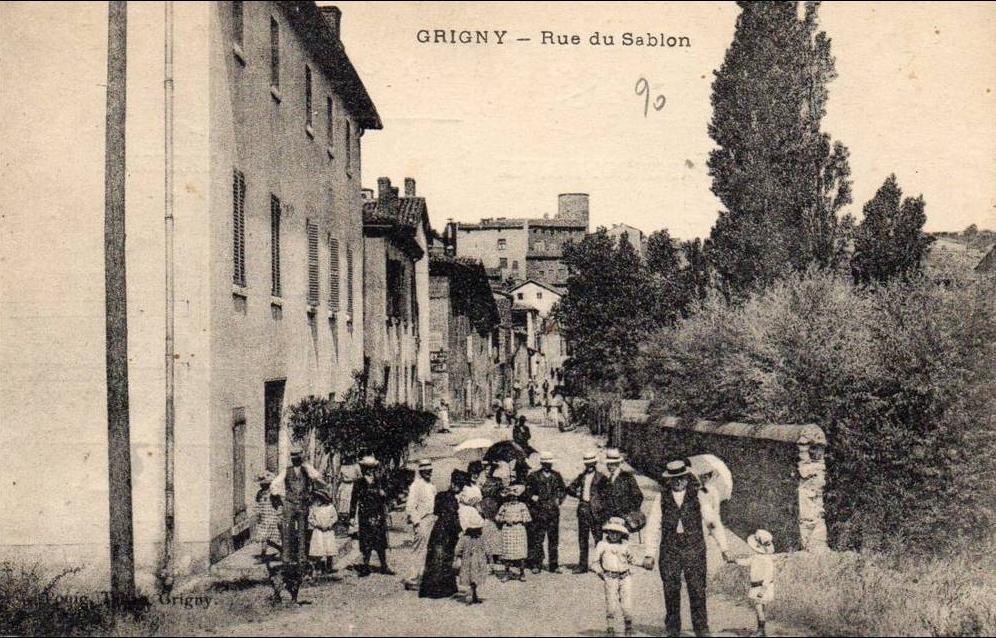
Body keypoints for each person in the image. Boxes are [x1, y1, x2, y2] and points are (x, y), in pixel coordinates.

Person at [643, 459, 733, 637]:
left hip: (694, 548)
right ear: (669, 480)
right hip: (670, 548)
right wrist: (649, 554)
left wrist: (724, 548)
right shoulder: (661, 497)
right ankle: (672, 629)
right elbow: (653, 525)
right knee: (670, 588)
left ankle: (701, 628)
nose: (678, 482)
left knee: (697, 588)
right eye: (674, 479)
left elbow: (713, 523)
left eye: (681, 478)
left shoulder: (699, 496)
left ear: (686, 478)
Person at [270, 445, 328, 601]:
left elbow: (317, 477)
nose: (296, 459)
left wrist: (307, 466)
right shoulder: (286, 471)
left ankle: (302, 560)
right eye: (294, 456)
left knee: (302, 532)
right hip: (289, 505)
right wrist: (281, 498)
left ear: (301, 457)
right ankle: (286, 559)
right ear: (291, 457)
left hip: (302, 505)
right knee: (287, 532)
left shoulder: (306, 470)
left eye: (298, 456)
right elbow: (274, 484)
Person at [420, 470, 467, 599]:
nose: (460, 489)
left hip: (439, 529)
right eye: (459, 486)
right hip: (446, 531)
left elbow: (436, 512)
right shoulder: (452, 500)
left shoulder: (440, 496)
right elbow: (452, 518)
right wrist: (459, 529)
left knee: (437, 559)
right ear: (453, 484)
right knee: (443, 559)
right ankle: (440, 590)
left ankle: (432, 589)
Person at [591, 517, 638, 637]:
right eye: (612, 532)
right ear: (607, 532)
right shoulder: (602, 545)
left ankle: (628, 626)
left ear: (622, 533)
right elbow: (594, 562)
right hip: (610, 577)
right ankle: (610, 627)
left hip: (625, 576)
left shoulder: (625, 545)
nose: (614, 535)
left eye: (617, 533)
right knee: (611, 604)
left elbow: (632, 559)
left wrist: (643, 563)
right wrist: (601, 573)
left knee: (627, 604)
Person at [349, 456, 394, 577]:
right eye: (367, 468)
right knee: (366, 541)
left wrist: (384, 494)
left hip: (378, 513)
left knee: (380, 540)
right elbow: (354, 500)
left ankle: (384, 565)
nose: (369, 470)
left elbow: (388, 495)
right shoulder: (359, 482)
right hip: (365, 514)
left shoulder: (379, 481)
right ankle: (366, 566)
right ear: (363, 469)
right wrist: (351, 516)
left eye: (372, 468)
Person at [566, 450, 609, 573]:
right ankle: (582, 565)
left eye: (591, 464)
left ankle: (602, 564)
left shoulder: (602, 477)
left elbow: (607, 494)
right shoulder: (582, 476)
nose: (589, 466)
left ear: (595, 464)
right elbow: (570, 488)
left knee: (598, 539)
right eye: (587, 464)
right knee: (583, 538)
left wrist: (601, 505)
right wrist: (577, 494)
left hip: (596, 511)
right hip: (583, 509)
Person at [525, 451, 566, 573]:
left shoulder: (556, 475)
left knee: (553, 539)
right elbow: (527, 491)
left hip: (553, 512)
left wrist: (559, 499)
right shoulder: (534, 476)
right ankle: (536, 564)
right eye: (545, 463)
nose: (547, 465)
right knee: (538, 539)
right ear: (541, 463)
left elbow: (563, 490)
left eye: (549, 463)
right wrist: (533, 498)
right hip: (539, 512)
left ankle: (554, 565)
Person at [733, 529, 776, 637]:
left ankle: (761, 630)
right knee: (759, 608)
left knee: (759, 607)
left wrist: (763, 589)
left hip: (762, 587)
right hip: (756, 586)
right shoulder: (755, 557)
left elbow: (769, 575)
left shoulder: (767, 560)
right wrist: (735, 561)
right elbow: (746, 562)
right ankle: (760, 629)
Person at [404, 459, 437, 589]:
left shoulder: (431, 485)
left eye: (430, 470)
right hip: (422, 520)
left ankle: (423, 577)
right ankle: (412, 579)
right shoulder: (416, 485)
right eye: (426, 471)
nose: (429, 473)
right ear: (421, 472)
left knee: (428, 550)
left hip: (431, 519)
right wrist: (417, 523)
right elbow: (410, 507)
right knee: (418, 550)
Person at [595, 449, 644, 532]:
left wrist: (629, 512)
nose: (610, 467)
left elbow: (638, 496)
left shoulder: (627, 477)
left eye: (613, 464)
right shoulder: (605, 480)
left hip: (624, 517)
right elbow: (600, 497)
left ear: (618, 464)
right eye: (608, 464)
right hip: (610, 518)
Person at [455, 489, 489, 604]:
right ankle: (471, 594)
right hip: (473, 560)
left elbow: (458, 549)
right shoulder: (470, 512)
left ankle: (473, 594)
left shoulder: (469, 537)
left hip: (471, 559)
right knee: (473, 577)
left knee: (472, 577)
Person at [495, 484, 531, 581]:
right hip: (507, 529)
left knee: (520, 553)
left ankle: (522, 573)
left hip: (518, 529)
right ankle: (507, 573)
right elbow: (497, 517)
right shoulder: (504, 506)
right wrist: (505, 520)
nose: (513, 498)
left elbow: (527, 518)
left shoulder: (522, 506)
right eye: (510, 496)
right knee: (507, 553)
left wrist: (518, 520)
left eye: (514, 496)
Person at [308, 488, 340, 577]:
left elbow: (335, 517)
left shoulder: (330, 507)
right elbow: (310, 518)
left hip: (328, 531)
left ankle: (329, 567)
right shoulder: (314, 508)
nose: (317, 501)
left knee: (329, 548)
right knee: (319, 549)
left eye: (319, 499)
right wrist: (317, 524)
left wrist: (329, 524)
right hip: (318, 531)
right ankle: (318, 567)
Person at [251, 472, 282, 561]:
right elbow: (257, 504)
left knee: (271, 539)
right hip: (263, 518)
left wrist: (279, 515)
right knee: (263, 537)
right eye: (261, 484)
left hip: (272, 517)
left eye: (265, 484)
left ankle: (280, 549)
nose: (262, 486)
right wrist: (257, 513)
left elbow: (279, 504)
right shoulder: (259, 493)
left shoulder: (273, 493)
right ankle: (263, 554)